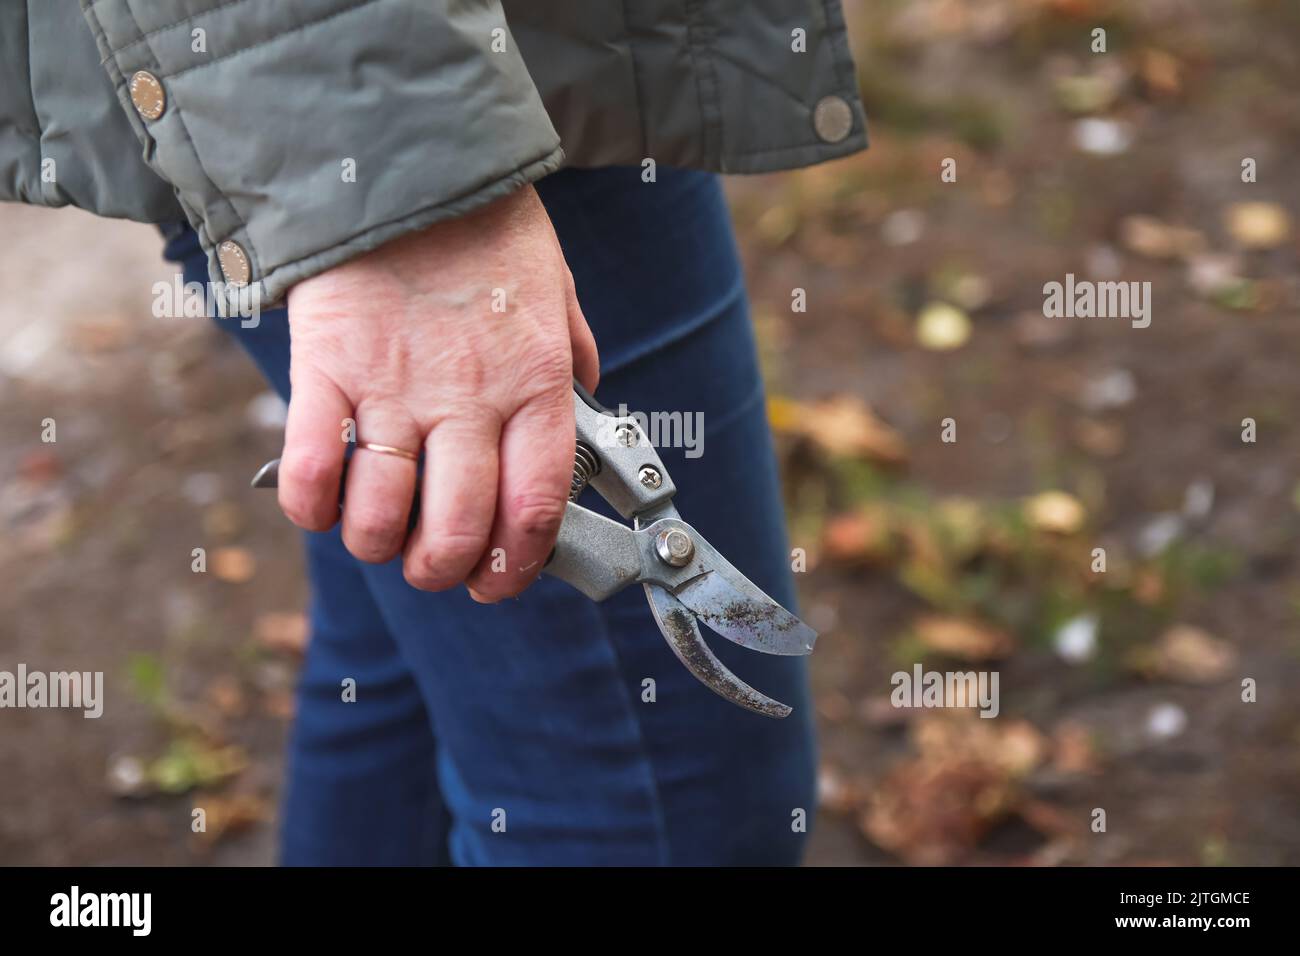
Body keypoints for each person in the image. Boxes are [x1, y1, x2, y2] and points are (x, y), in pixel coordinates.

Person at [6, 1, 867, 864]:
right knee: (673, 814)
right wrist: (411, 195)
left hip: (470, 75)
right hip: (433, 112)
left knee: (409, 656)